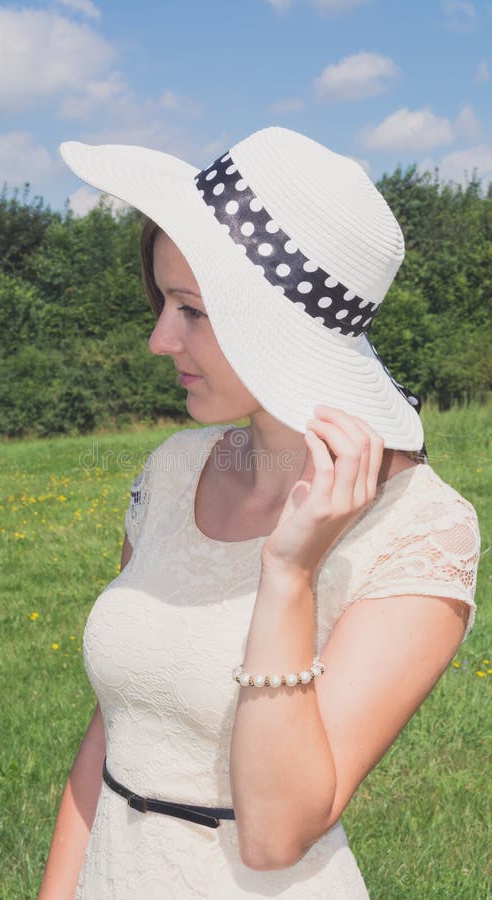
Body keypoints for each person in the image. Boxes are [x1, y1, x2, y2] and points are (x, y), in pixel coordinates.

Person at [38, 127, 480, 899]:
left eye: (191, 310)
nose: (159, 338)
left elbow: (278, 834)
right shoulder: (174, 471)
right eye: (163, 301)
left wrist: (288, 575)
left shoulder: (419, 530)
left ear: (282, 327)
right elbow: (115, 723)